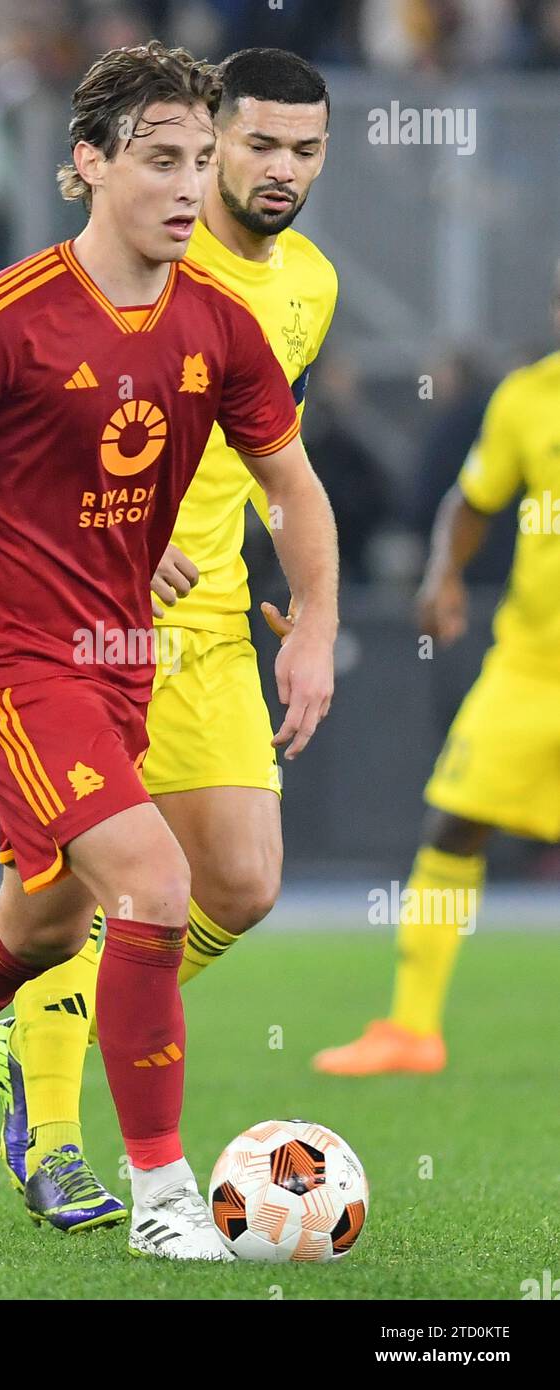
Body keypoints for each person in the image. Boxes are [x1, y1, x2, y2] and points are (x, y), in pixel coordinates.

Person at [0, 41, 338, 1261]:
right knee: (154, 884)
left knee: (37, 928)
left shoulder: (220, 325)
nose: (188, 187)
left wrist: (315, 625)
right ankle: (164, 1195)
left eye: (200, 160)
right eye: (159, 160)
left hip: (124, 662)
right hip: (10, 662)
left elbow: (292, 485)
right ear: (86, 162)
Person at [0, 46, 341, 1233]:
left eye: (304, 150)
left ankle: (39, 1020)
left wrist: (313, 615)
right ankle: (54, 1132)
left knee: (241, 882)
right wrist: (112, 541)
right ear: (199, 143)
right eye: (255, 144)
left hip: (214, 620)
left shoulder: (310, 285)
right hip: (87, 623)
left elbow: (274, 461)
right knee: (96, 896)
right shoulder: (135, 260)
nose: (279, 170)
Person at [314, 260, 560, 1076]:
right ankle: (412, 1029)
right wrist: (442, 574)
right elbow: (473, 499)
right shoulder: (527, 398)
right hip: (532, 664)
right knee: (454, 820)